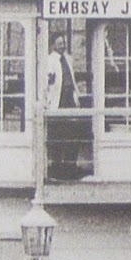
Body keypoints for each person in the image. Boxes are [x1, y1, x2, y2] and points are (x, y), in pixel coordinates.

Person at [43, 33, 83, 179]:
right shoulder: (49, 60)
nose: (62, 46)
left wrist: (76, 95)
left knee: (72, 133)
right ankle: (56, 167)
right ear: (53, 45)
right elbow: (47, 83)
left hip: (69, 99)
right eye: (59, 43)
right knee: (57, 135)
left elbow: (72, 79)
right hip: (57, 102)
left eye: (63, 43)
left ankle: (70, 166)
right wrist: (47, 100)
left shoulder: (68, 59)